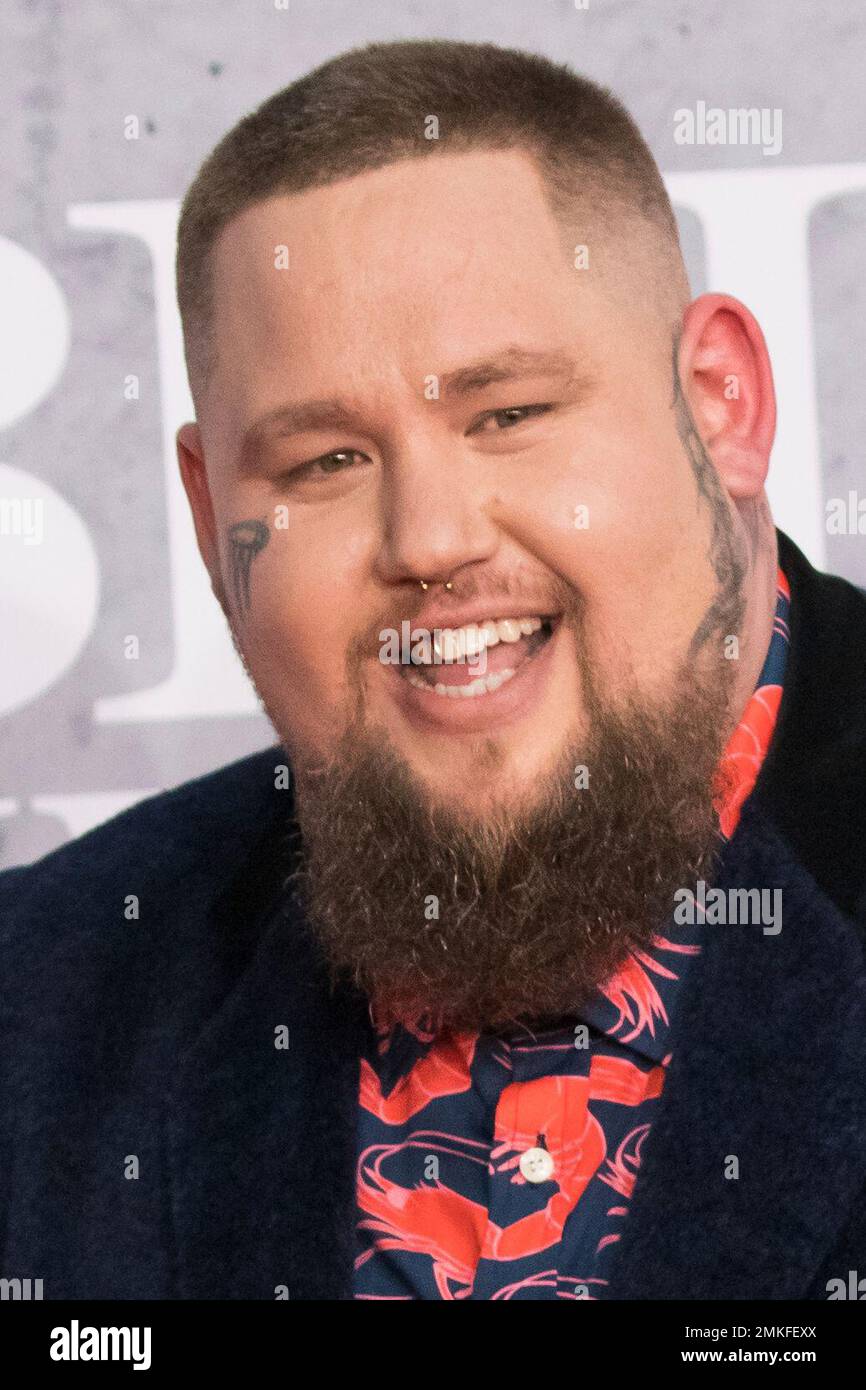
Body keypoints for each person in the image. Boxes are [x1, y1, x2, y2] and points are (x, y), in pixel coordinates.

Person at [2, 38, 865, 1302]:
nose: (427, 539)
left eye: (505, 414)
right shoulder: (39, 1003)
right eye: (321, 464)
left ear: (717, 402)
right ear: (207, 516)